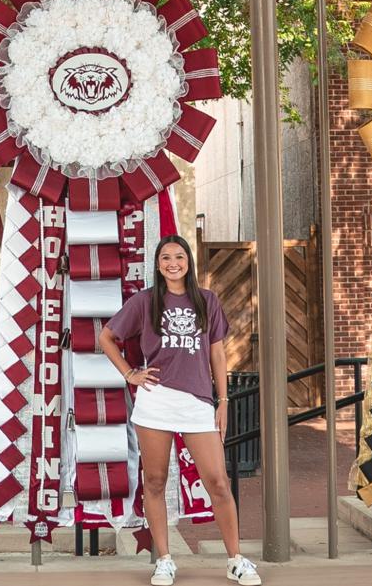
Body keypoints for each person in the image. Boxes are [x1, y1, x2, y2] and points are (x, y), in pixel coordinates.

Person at [99, 235, 261, 586]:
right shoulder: (145, 301)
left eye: (179, 256)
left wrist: (223, 401)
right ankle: (164, 560)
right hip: (156, 401)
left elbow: (217, 353)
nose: (173, 263)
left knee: (218, 482)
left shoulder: (207, 300)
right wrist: (130, 373)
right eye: (166, 258)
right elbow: (106, 337)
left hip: (197, 402)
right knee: (155, 481)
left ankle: (235, 560)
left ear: (188, 261)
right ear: (158, 265)